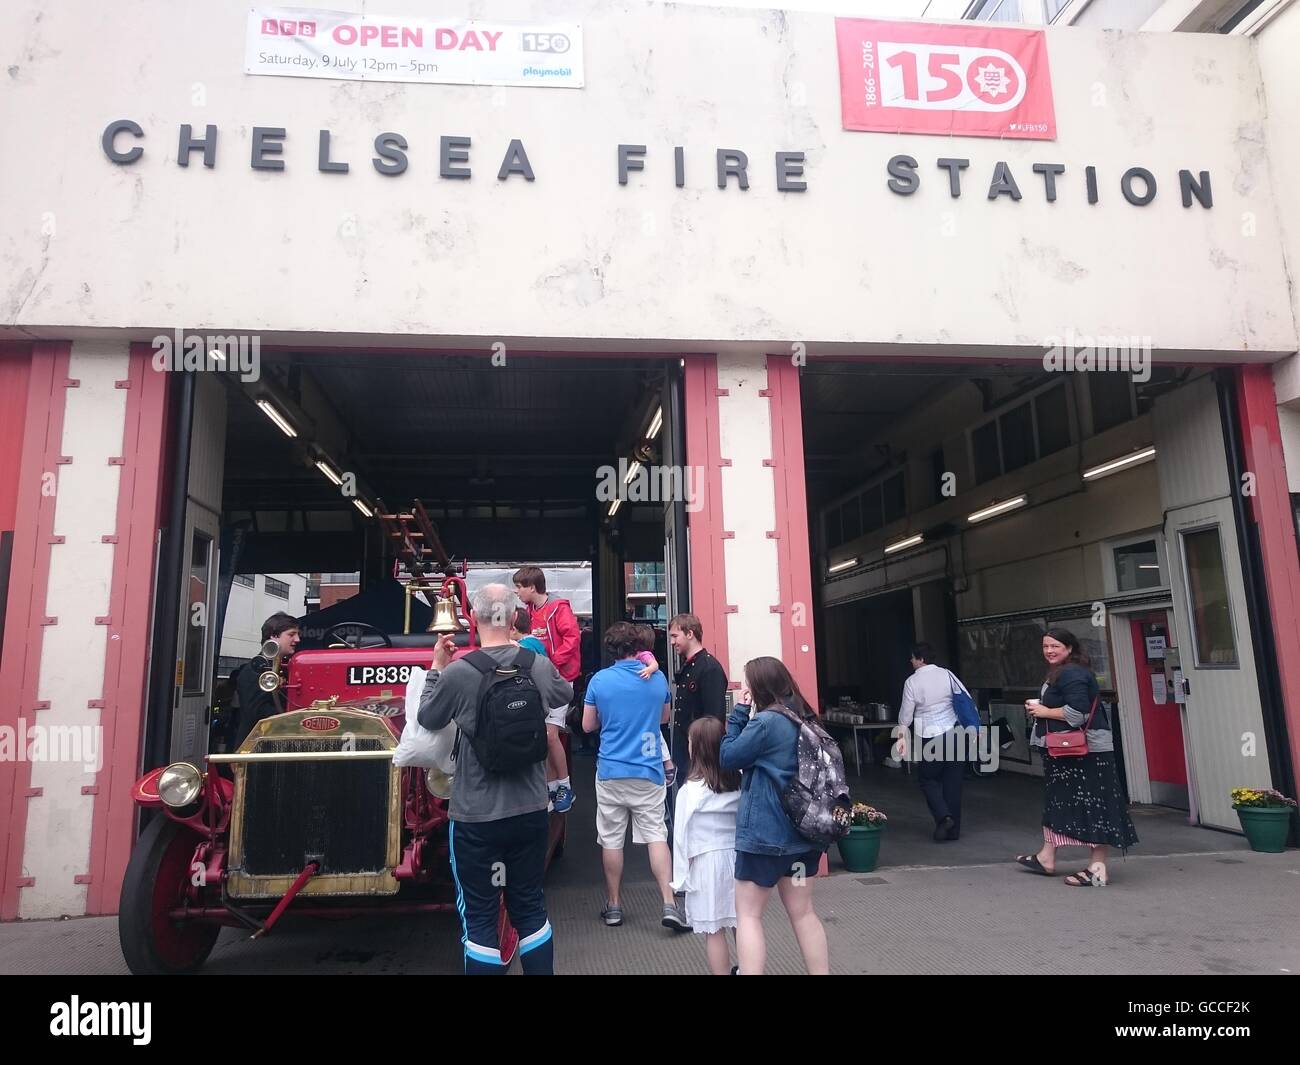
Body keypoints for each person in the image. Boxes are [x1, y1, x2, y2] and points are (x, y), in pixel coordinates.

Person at [418, 583, 573, 974]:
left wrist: (436, 669)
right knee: (531, 909)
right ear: (514, 616)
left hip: (476, 817)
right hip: (530, 811)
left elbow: (428, 719)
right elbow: (562, 695)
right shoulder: (534, 663)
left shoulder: (459, 672)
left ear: (473, 617)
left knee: (481, 918)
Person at [720, 656, 830, 975]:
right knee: (803, 913)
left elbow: (729, 755)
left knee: (749, 915)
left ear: (759, 687)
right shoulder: (806, 718)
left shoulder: (766, 722)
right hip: (803, 843)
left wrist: (739, 712)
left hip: (765, 840)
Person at [582, 621, 689, 931]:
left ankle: (614, 906)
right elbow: (664, 718)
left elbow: (588, 726)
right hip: (648, 769)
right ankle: (669, 903)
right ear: (638, 648)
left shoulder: (600, 681)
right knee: (657, 835)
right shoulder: (657, 680)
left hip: (612, 770)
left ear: (611, 649)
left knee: (612, 840)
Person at [1016, 628, 1138, 886]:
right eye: (1046, 646)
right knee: (1060, 800)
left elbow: (1077, 713)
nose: (1049, 650)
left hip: (1086, 754)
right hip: (1068, 753)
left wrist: (1044, 710)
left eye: (1055, 646)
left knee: (1094, 804)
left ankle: (1097, 868)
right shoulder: (1063, 671)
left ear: (1069, 648)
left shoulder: (1072, 673)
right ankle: (1046, 856)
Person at [671, 715, 740, 974]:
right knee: (742, 924)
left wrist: (681, 878)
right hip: (737, 860)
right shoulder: (738, 782)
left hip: (705, 864)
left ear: (695, 747)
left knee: (714, 930)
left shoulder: (689, 792)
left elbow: (680, 838)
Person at [514, 566, 581, 814]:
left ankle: (565, 787)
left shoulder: (558, 608)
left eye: (520, 586)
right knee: (545, 736)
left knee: (550, 735)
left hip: (559, 679)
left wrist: (548, 664)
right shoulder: (530, 611)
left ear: (532, 587)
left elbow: (572, 639)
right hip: (541, 677)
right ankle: (552, 788)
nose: (516, 591)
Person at [897, 642, 970, 842]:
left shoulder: (912, 682)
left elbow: (906, 714)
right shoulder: (948, 674)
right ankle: (953, 831)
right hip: (955, 734)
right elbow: (965, 699)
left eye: (913, 657)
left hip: (930, 737)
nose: (911, 661)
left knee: (928, 779)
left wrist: (902, 736)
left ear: (920, 659)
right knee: (953, 784)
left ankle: (944, 817)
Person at [667, 613, 729, 796]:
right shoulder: (691, 666)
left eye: (674, 636)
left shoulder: (710, 668)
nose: (672, 642)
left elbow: (713, 719)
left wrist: (704, 759)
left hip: (700, 759)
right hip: (686, 756)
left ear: (690, 634)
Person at [232, 612, 300, 746]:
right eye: (291, 635)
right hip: (257, 745)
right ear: (273, 636)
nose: (297, 639)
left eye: (297, 635)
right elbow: (256, 711)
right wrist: (295, 719)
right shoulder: (255, 669)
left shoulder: (284, 668)